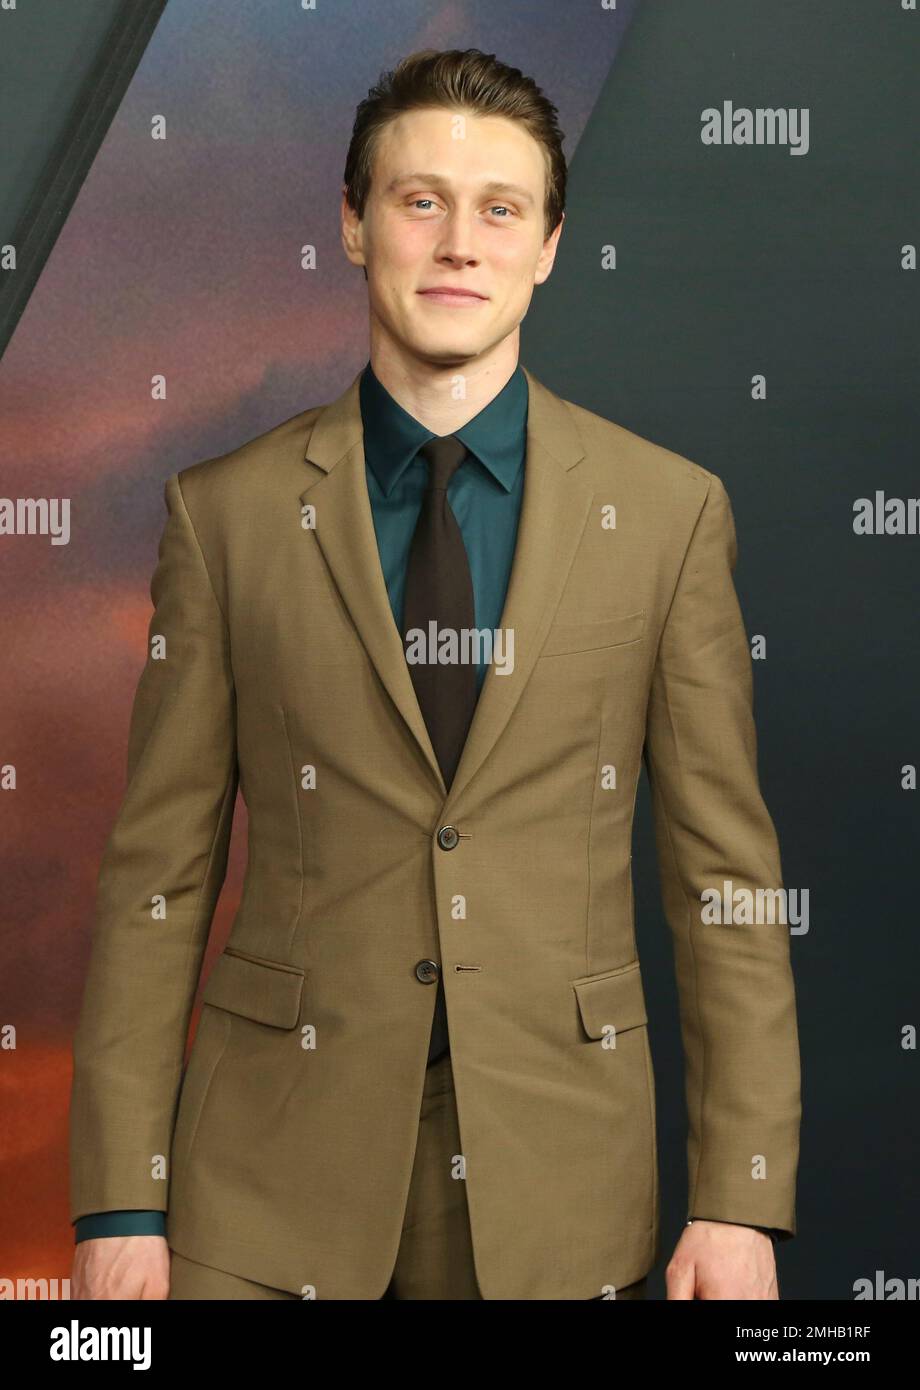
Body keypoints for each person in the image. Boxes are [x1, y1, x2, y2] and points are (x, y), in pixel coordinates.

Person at [70, 47, 800, 1301]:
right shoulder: (224, 516)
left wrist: (736, 1199)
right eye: (420, 202)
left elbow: (722, 876)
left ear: (549, 245)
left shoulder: (667, 513)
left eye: (498, 209)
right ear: (353, 228)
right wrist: (121, 1199)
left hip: (565, 1187)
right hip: (262, 1189)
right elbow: (158, 876)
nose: (459, 242)